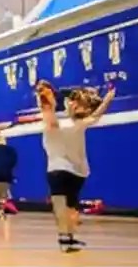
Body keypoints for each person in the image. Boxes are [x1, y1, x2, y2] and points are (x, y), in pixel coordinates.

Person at [37, 80, 115, 252]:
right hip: (71, 171)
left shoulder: (71, 123)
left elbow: (49, 113)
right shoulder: (74, 123)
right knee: (69, 206)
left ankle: (66, 238)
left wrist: (45, 99)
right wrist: (108, 99)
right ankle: (67, 238)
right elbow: (96, 115)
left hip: (64, 170)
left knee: (64, 207)